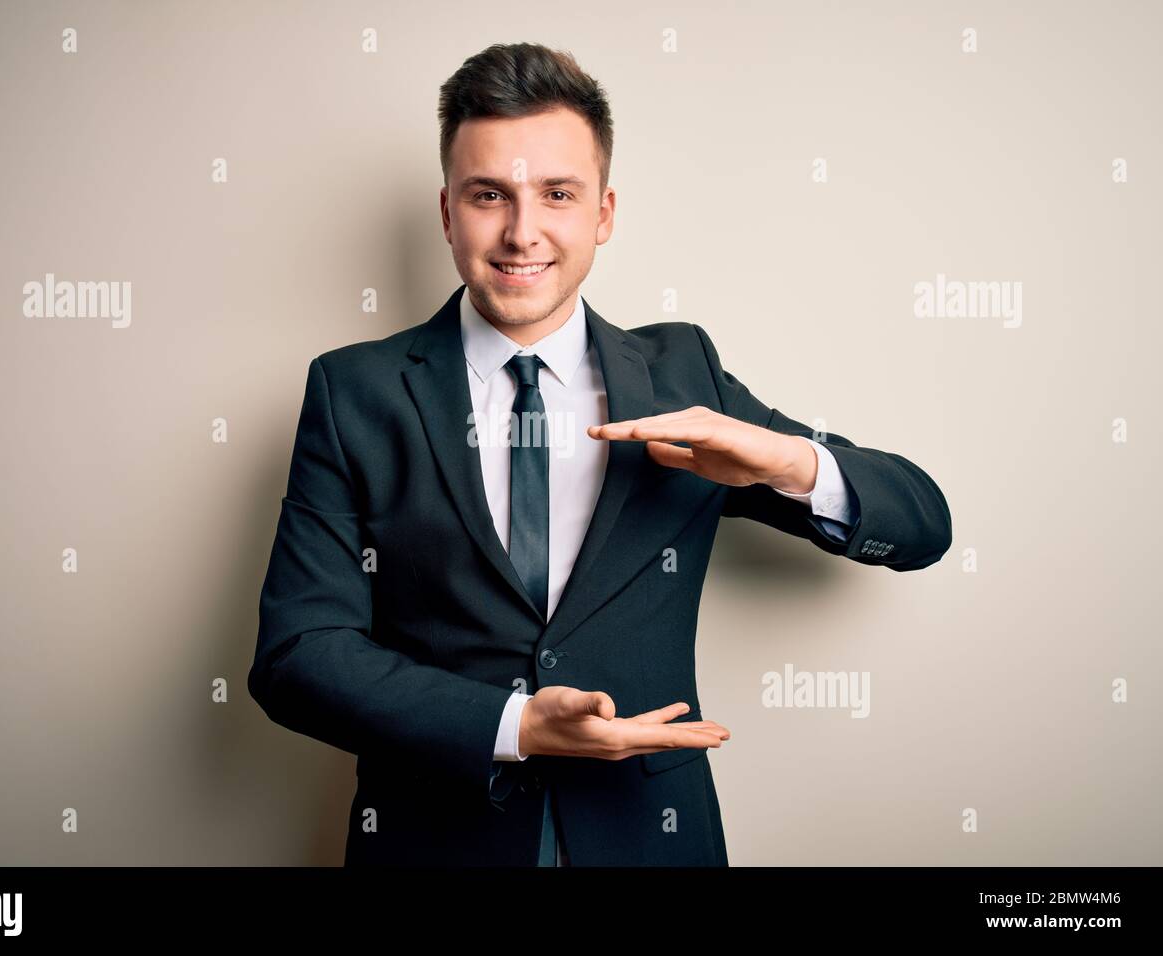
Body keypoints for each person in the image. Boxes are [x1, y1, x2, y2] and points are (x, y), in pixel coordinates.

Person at [247, 42, 952, 866]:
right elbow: (299, 655)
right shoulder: (352, 391)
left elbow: (922, 526)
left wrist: (783, 461)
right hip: (435, 835)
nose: (522, 232)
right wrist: (512, 726)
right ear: (447, 212)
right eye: (488, 195)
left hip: (649, 838)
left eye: (556, 194)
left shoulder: (681, 373)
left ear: (603, 214)